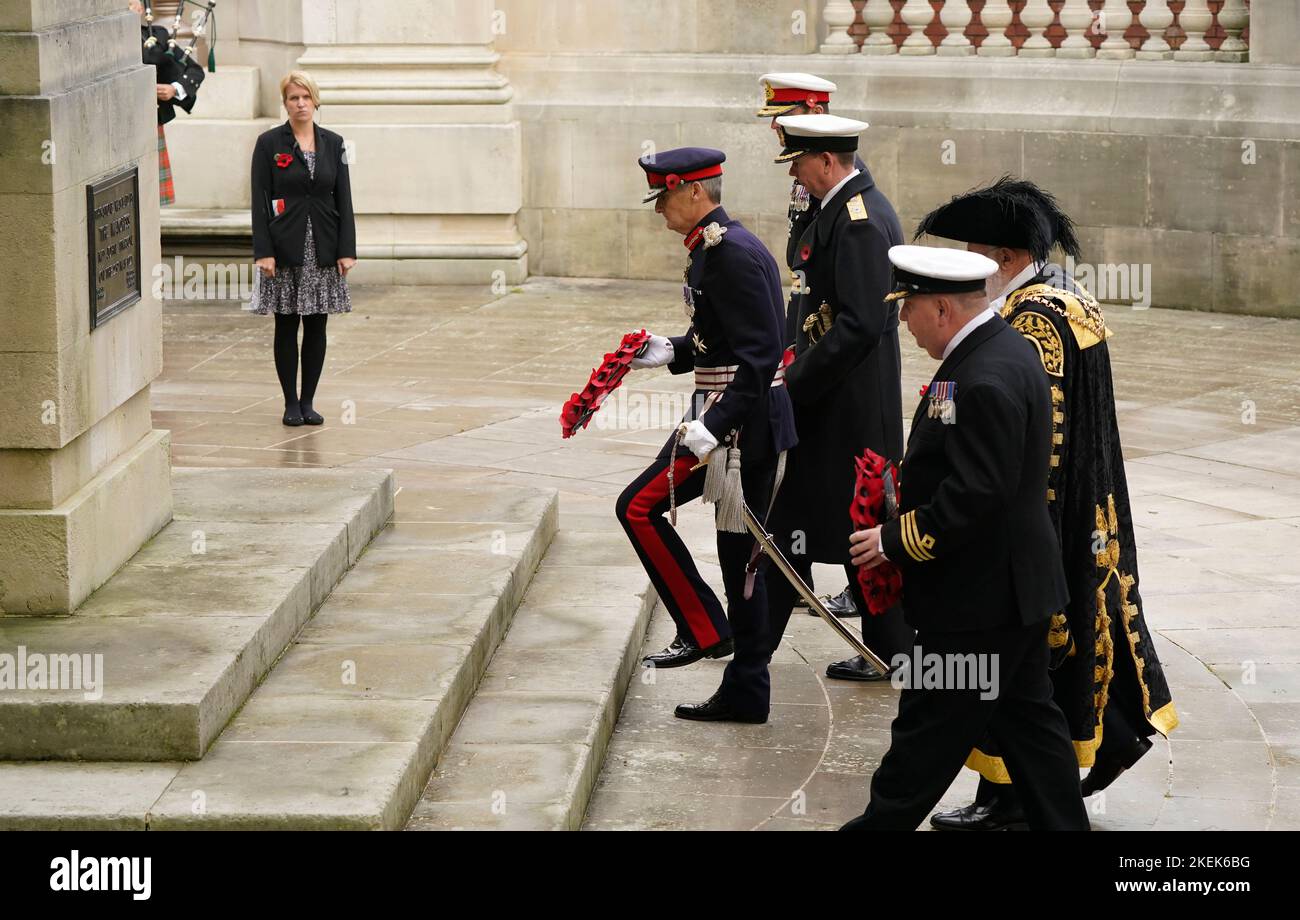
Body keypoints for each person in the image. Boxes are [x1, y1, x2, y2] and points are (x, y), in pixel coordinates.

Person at [914, 178, 1179, 831]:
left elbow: (1040, 446)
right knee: (1023, 687)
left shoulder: (1036, 318)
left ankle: (1008, 801)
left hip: (1048, 526)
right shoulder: (1060, 298)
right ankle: (1022, 799)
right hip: (1072, 521)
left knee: (1028, 674)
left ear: (1005, 259)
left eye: (978, 254)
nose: (972, 266)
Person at [840, 245, 1089, 832]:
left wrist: (894, 540)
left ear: (944, 309)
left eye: (910, 308)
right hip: (1010, 594)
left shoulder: (984, 378)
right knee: (1031, 730)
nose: (903, 321)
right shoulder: (992, 351)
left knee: (924, 738)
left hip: (978, 603)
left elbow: (979, 494)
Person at [615, 147, 797, 723]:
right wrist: (669, 351)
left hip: (740, 427)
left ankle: (709, 635)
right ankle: (738, 674)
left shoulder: (732, 254)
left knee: (649, 511)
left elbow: (762, 357)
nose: (659, 209)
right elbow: (716, 340)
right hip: (722, 417)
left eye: (664, 196)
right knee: (735, 551)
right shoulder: (711, 249)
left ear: (695, 192)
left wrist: (712, 428)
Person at [761, 114, 913, 681]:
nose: (795, 175)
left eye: (798, 162)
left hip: (848, 406)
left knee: (858, 526)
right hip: (834, 401)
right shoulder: (843, 212)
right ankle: (885, 649)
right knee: (828, 524)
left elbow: (860, 324)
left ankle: (893, 652)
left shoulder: (859, 221)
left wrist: (791, 385)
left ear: (828, 161)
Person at [755, 72, 864, 624]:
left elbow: (861, 313)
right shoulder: (810, 179)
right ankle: (792, 580)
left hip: (836, 366)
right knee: (817, 478)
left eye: (786, 118)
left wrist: (800, 369)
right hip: (811, 328)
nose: (778, 132)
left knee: (846, 479)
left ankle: (871, 607)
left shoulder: (849, 194)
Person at [250, 71, 358, 427]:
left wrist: (347, 249)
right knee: (286, 324)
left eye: (306, 98)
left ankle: (309, 401)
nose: (300, 104)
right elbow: (260, 200)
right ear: (285, 103)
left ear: (315, 101)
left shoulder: (334, 143)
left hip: (324, 247)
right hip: (284, 248)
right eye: (293, 98)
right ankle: (290, 402)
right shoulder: (269, 144)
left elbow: (344, 197)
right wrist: (263, 251)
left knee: (316, 326)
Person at [131, 0, 206, 207]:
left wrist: (174, 88)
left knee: (149, 199)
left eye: (134, 1)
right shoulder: (105, 41)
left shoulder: (156, 37)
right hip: (120, 128)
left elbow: (194, 71)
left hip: (151, 125)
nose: (133, 5)